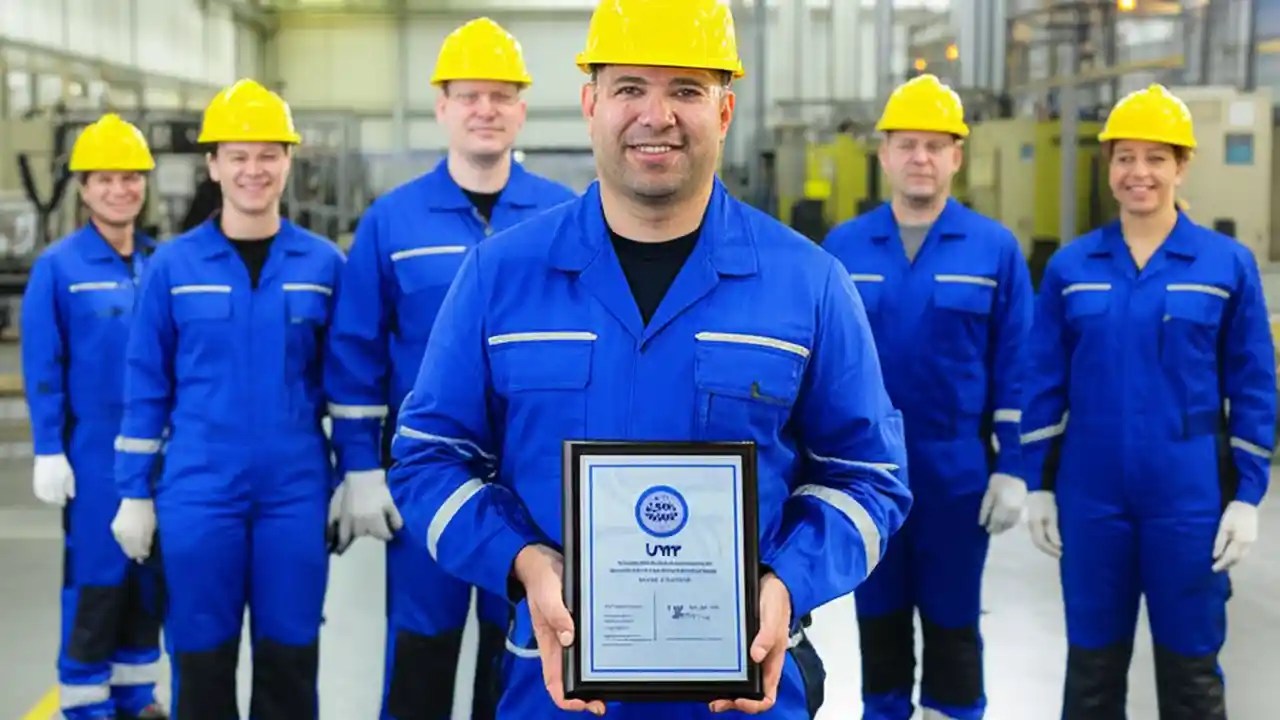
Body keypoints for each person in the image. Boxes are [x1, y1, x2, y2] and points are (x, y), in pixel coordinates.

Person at [384, 0, 914, 717]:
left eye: (687, 90)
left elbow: (870, 477)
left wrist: (787, 580)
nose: (656, 115)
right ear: (590, 104)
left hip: (745, 689)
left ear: (724, 111)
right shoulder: (497, 277)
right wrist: (522, 561)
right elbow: (427, 458)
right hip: (555, 686)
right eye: (630, 87)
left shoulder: (809, 284)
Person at [324, 16, 577, 720]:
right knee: (421, 652)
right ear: (442, 107)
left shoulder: (566, 218)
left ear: (523, 108)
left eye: (501, 96)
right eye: (469, 96)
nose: (485, 110)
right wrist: (360, 468)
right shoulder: (391, 222)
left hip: (534, 484)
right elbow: (356, 352)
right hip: (428, 483)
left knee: (524, 658)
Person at [1020, 84, 1275, 719]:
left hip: (1188, 499)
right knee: (1092, 672)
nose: (1140, 173)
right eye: (1125, 157)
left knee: (1191, 672)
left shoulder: (1225, 265)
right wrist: (1039, 484)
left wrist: (1247, 495)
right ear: (1108, 168)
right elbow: (1042, 380)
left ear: (1182, 166)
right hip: (1092, 497)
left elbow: (1252, 384)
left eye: (1156, 158)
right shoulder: (1072, 267)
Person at [109, 78, 344, 716]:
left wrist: (357, 473)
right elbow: (146, 384)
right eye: (237, 156)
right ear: (213, 164)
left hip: (294, 492)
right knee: (201, 658)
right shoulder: (173, 267)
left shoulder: (323, 265)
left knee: (291, 659)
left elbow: (347, 384)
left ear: (288, 161)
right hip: (197, 489)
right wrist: (134, 489)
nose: (253, 170)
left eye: (268, 154)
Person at [820, 75, 1034, 720]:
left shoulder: (993, 249)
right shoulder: (843, 248)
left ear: (956, 157)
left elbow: (1018, 363)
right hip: (865, 473)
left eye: (935, 146)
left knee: (953, 626)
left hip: (957, 473)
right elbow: (821, 368)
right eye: (907, 144)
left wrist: (1014, 469)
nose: (921, 158)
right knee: (878, 625)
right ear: (883, 154)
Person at [22, 113, 168, 720]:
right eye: (105, 179)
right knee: (97, 581)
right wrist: (48, 446)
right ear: (83, 188)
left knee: (147, 579)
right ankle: (84, 703)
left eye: (131, 178)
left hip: (159, 455)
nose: (120, 190)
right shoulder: (58, 269)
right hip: (92, 457)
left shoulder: (161, 263)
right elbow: (43, 364)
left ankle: (134, 694)